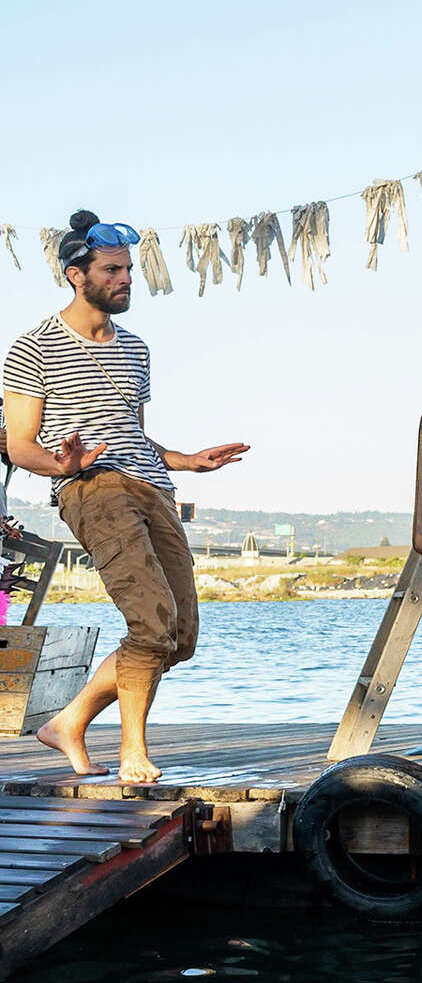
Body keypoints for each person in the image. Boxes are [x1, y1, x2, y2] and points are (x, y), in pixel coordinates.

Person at [3, 211, 249, 783]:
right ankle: (133, 753)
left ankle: (69, 721)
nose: (126, 280)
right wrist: (62, 463)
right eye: (113, 270)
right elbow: (19, 445)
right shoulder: (33, 347)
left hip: (154, 488)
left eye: (129, 271)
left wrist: (187, 460)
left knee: (180, 636)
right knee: (150, 624)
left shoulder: (135, 348)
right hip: (94, 490)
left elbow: (133, 432)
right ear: (75, 275)